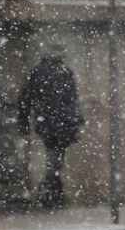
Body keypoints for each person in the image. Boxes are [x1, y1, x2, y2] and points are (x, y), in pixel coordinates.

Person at [17, 46, 82, 208]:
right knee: (56, 158)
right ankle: (52, 190)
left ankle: (52, 190)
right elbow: (72, 100)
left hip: (46, 122)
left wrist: (23, 122)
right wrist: (77, 121)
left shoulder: (38, 72)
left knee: (54, 157)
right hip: (63, 122)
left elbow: (25, 98)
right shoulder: (64, 72)